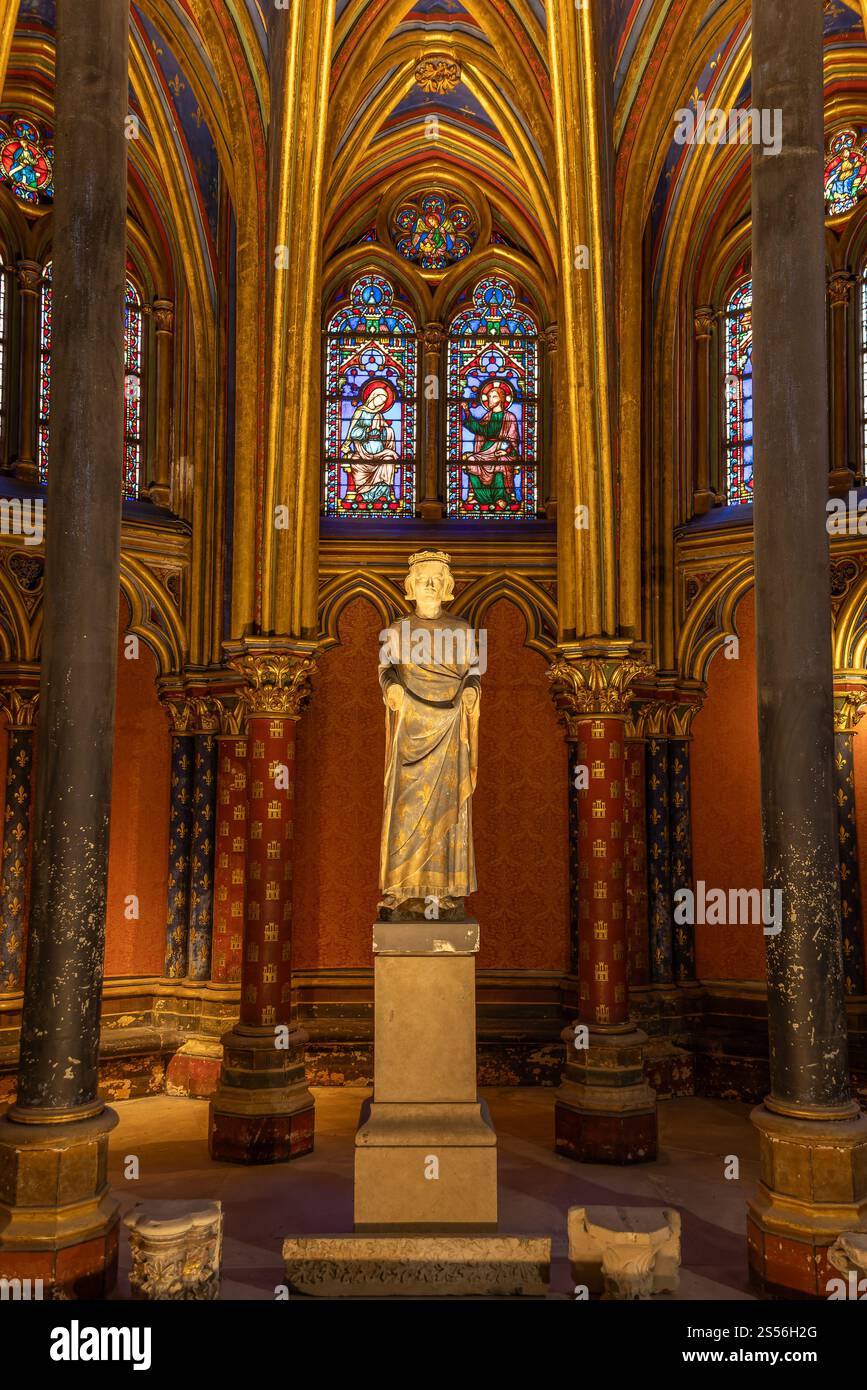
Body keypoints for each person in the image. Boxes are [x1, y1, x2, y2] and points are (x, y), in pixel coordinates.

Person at [461, 378, 520, 509]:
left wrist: (507, 451)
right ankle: (478, 496)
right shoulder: (487, 416)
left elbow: (513, 439)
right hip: (486, 450)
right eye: (488, 397)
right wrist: (466, 411)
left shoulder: (510, 417)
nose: (490, 400)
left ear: (501, 398)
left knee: (501, 462)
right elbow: (479, 429)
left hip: (502, 450)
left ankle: (500, 497)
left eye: (493, 397)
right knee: (471, 460)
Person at [342, 377, 400, 504]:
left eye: (384, 402)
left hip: (380, 451)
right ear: (373, 396)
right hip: (363, 451)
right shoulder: (360, 412)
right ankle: (362, 494)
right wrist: (367, 431)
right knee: (355, 461)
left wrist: (384, 431)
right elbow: (353, 432)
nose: (381, 403)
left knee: (389, 459)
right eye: (380, 399)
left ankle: (383, 494)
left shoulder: (379, 415)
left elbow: (386, 432)